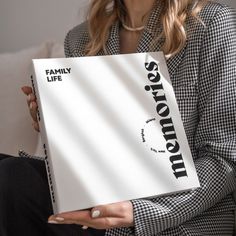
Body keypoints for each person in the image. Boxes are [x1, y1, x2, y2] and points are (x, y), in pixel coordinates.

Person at [0, 0, 235, 235]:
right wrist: (56, 126)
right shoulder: (81, 38)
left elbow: (225, 157)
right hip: (98, 203)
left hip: (177, 220)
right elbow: (91, 154)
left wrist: (139, 212)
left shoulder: (211, 24)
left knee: (14, 176)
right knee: (9, 173)